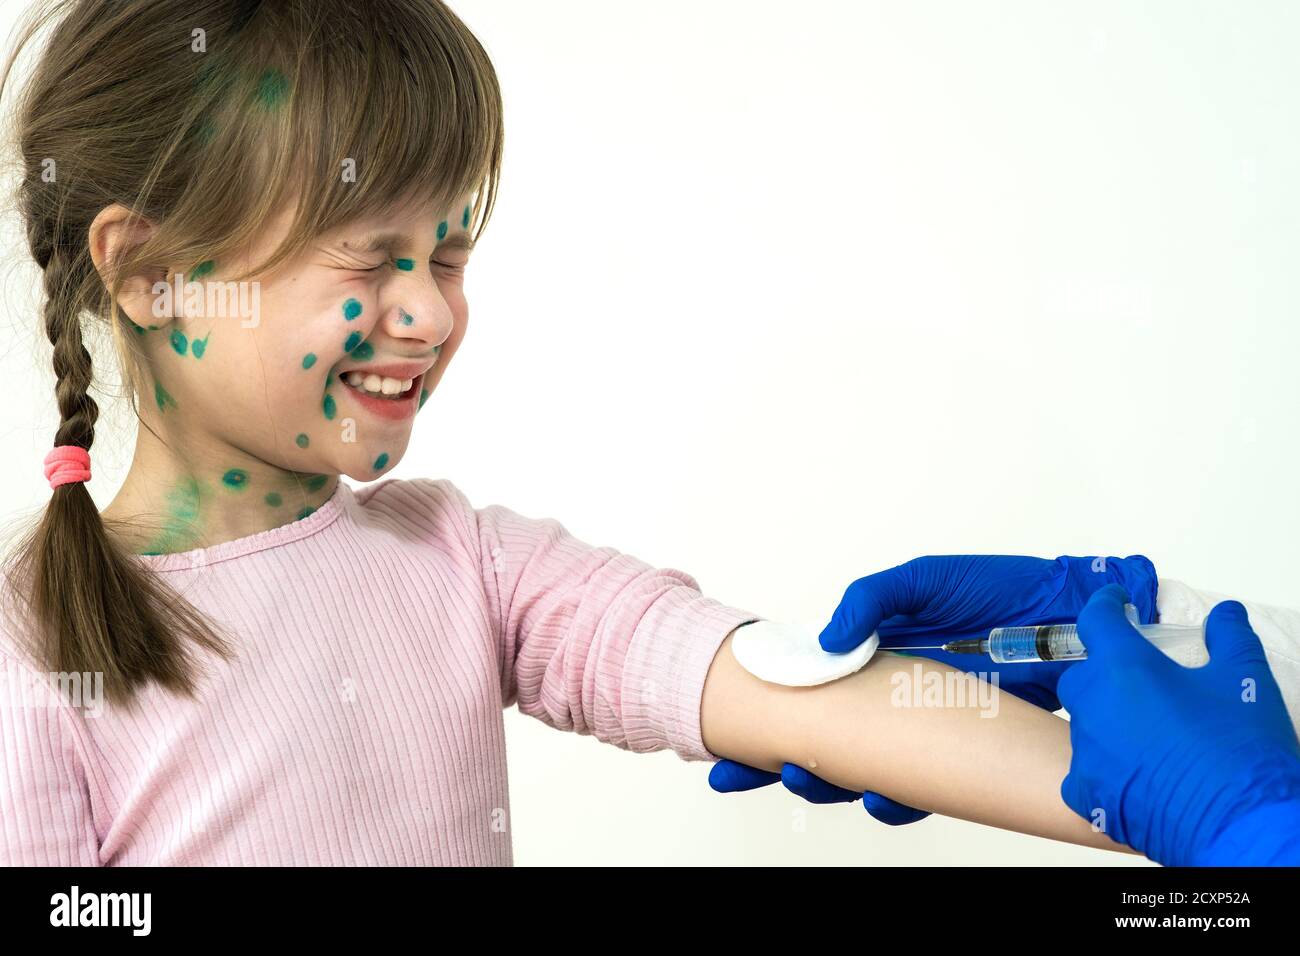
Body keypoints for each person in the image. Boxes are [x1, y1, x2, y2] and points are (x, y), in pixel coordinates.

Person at [0, 0, 1139, 865]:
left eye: (446, 257)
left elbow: (769, 681)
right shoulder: (32, 651)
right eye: (366, 257)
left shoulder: (463, 564)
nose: (431, 311)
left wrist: (1161, 779)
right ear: (152, 273)